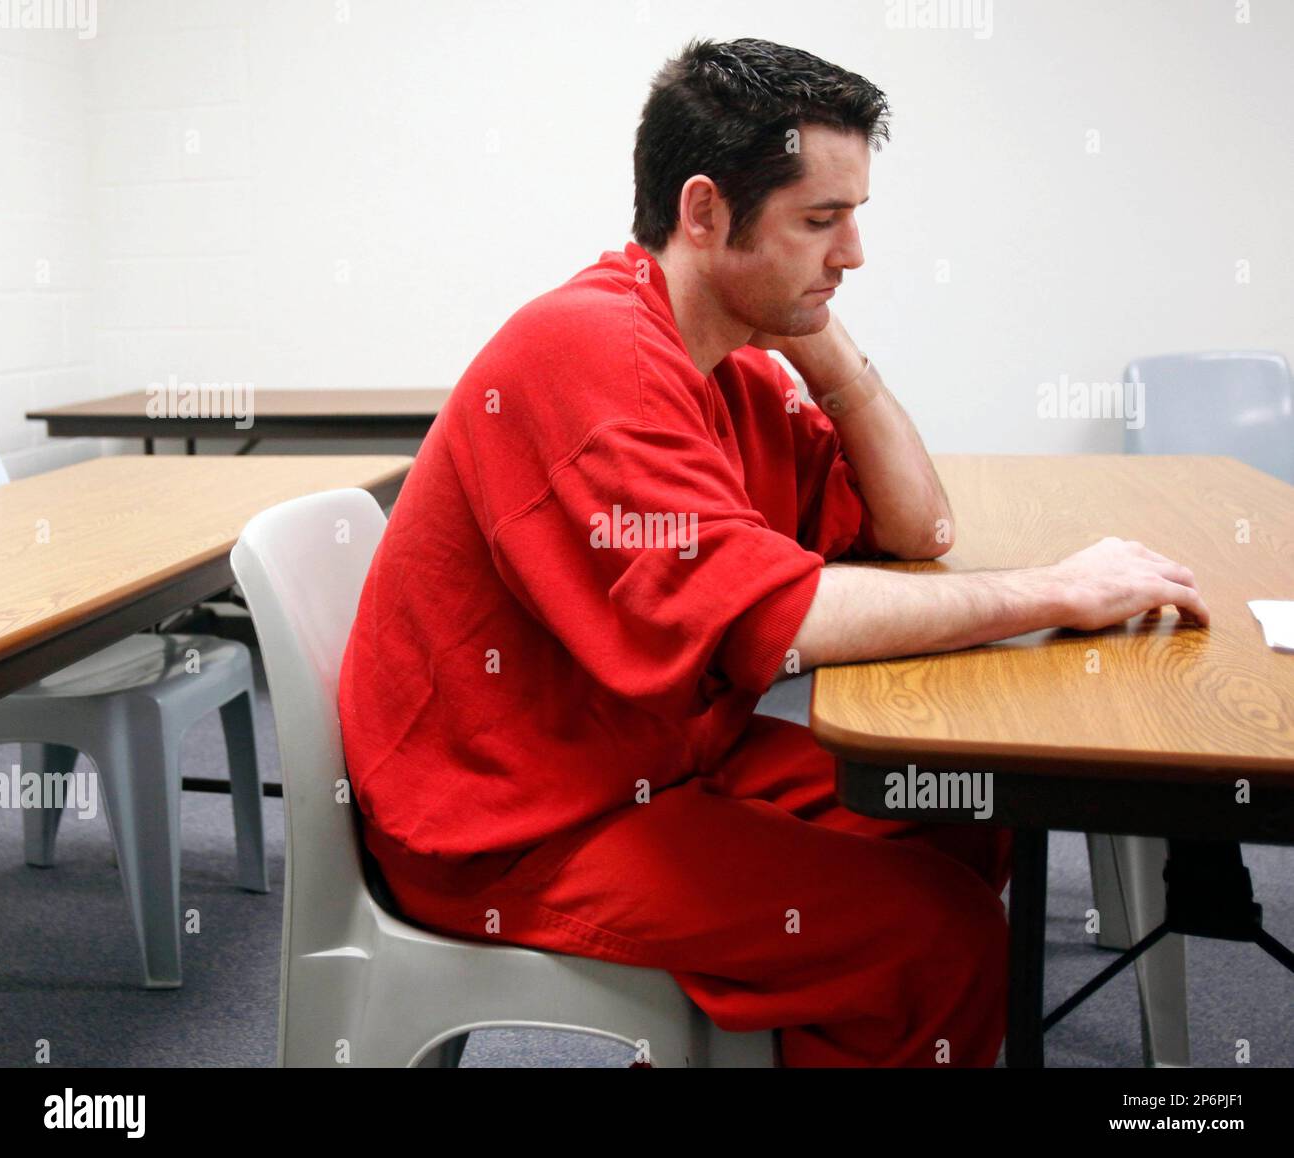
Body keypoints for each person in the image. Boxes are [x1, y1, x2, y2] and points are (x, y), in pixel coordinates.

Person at [338, 36, 1210, 1067]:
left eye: (853, 219)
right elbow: (781, 621)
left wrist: (826, 346)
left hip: (652, 758)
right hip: (507, 825)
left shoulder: (727, 363)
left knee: (966, 813)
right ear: (704, 213)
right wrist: (1059, 588)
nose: (852, 255)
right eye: (819, 221)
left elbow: (913, 530)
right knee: (938, 942)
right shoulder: (588, 352)